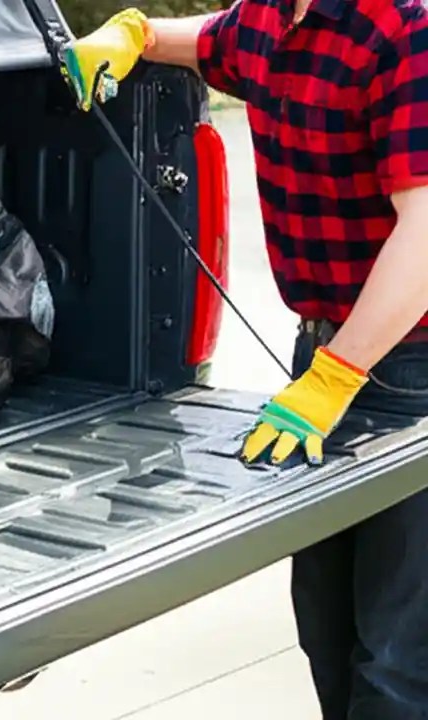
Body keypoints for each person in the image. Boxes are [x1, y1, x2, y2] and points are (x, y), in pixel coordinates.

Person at [67, 2, 428, 717]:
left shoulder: (404, 27)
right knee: (327, 633)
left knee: (398, 666)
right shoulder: (267, 20)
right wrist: (131, 31)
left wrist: (337, 376)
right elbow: (202, 39)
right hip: (322, 356)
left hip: (408, 373)